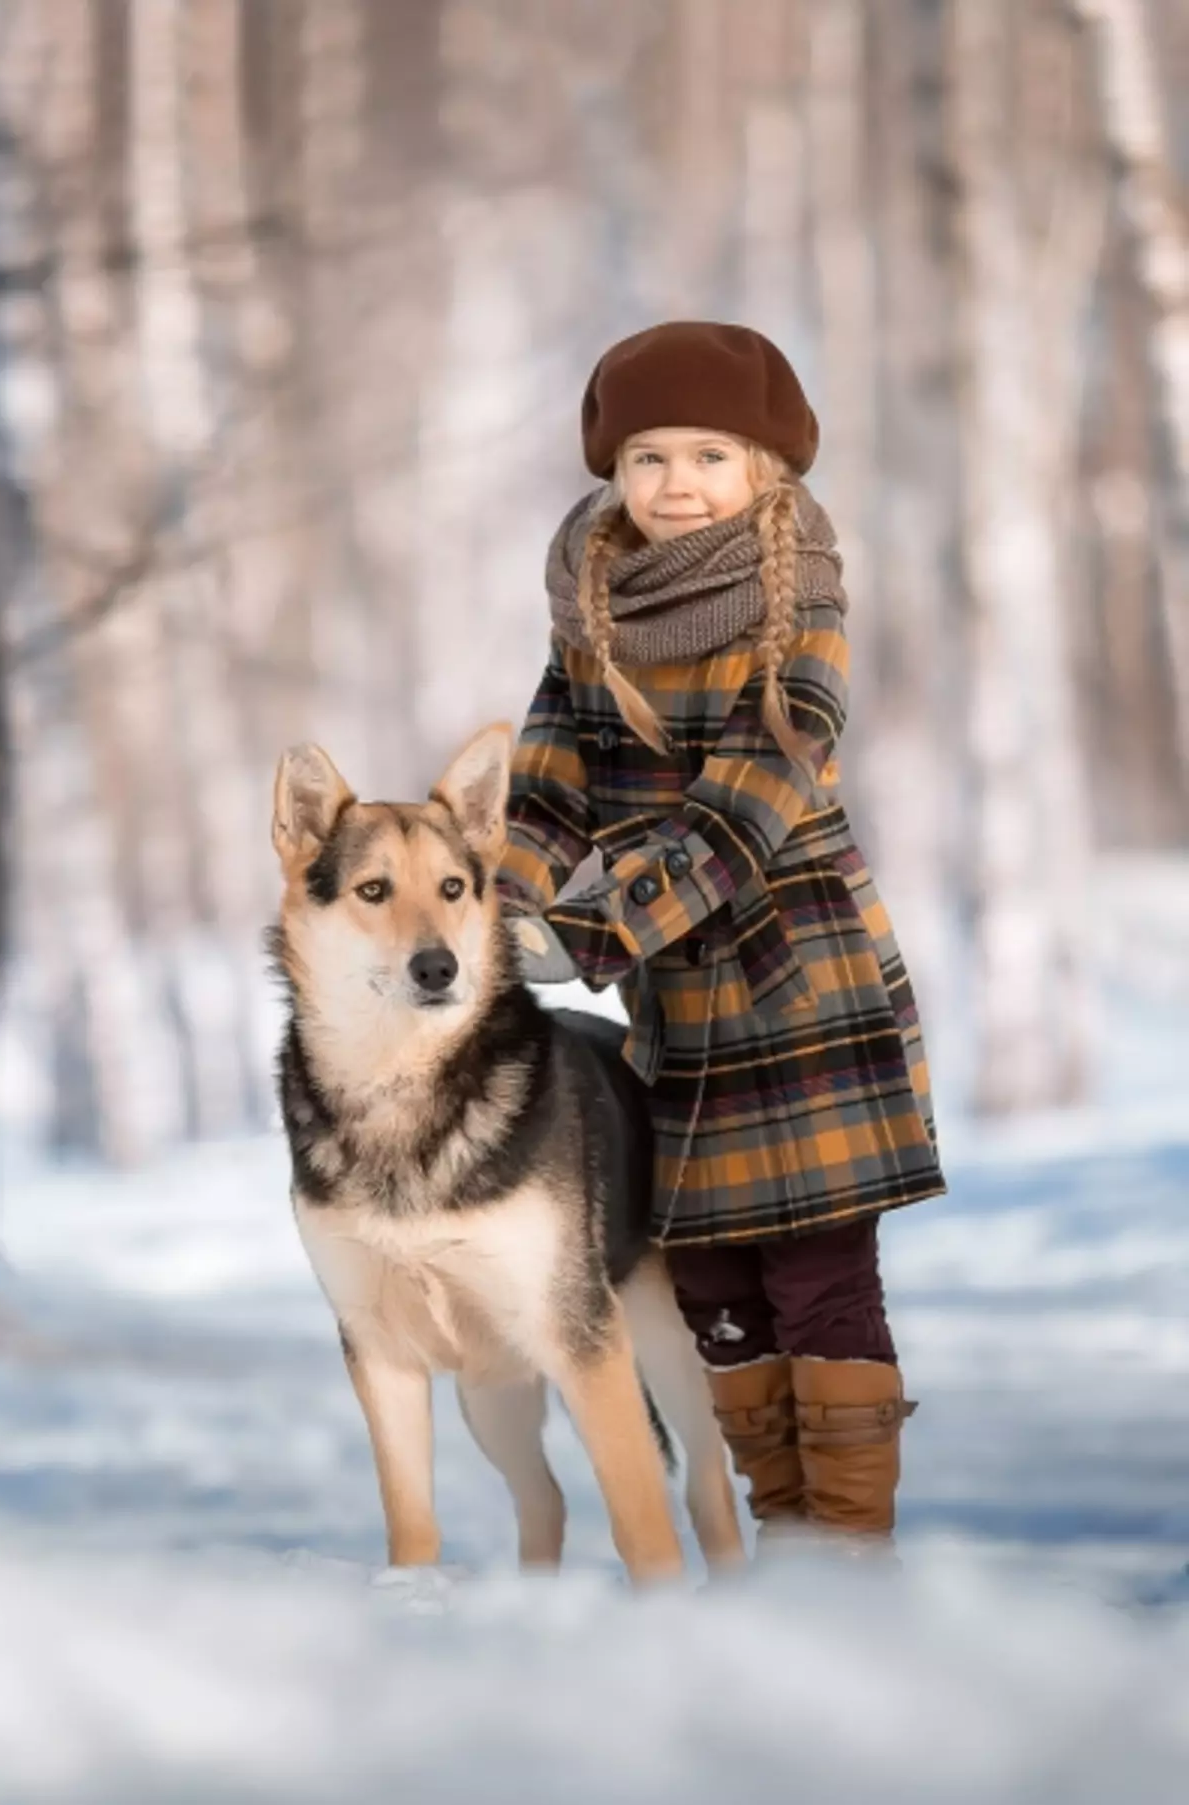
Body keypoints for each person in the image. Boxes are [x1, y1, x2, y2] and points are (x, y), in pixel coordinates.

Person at [496, 321, 946, 1547]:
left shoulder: (801, 613)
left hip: (799, 984)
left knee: (815, 1276)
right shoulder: (590, 616)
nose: (675, 483)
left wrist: (585, 933)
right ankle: (782, 1538)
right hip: (676, 1009)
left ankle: (847, 1554)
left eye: (708, 454)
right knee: (710, 1284)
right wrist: (493, 907)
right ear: (611, 473)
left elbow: (743, 814)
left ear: (767, 474)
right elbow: (547, 785)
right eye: (646, 457)